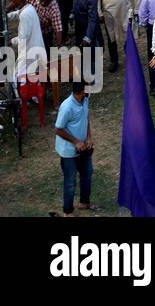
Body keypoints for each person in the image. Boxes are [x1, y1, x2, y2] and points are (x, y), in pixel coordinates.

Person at [54, 81, 95, 216]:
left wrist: (89, 137)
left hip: (83, 148)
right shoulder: (67, 107)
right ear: (81, 91)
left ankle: (84, 202)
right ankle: (68, 211)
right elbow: (58, 129)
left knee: (87, 173)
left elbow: (86, 118)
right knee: (70, 182)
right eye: (87, 88)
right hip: (69, 152)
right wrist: (76, 141)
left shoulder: (85, 100)